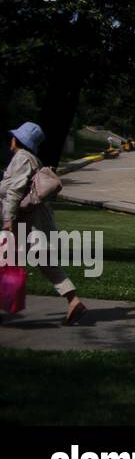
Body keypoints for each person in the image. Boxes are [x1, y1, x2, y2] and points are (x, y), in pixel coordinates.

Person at [1, 122, 86, 325]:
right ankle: (73, 300)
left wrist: (8, 220)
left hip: (24, 221)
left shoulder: (22, 158)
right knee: (43, 261)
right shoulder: (32, 159)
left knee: (6, 260)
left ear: (17, 140)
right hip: (34, 222)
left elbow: (14, 191)